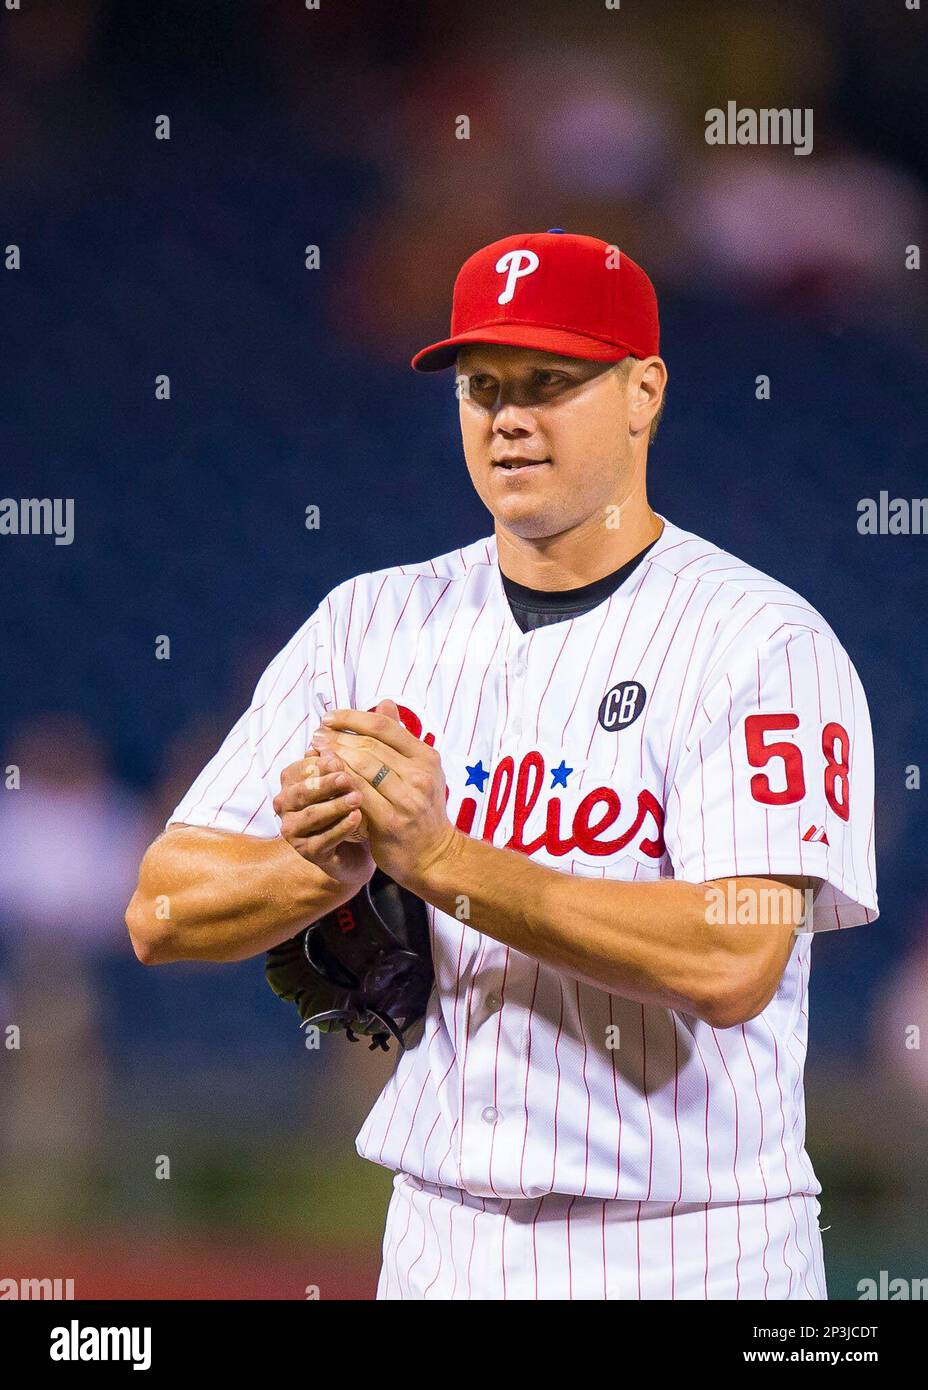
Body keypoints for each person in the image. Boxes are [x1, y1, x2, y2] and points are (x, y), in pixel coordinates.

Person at [126, 230, 878, 1300]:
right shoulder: (368, 621)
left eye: (551, 381)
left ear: (642, 392)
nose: (508, 417)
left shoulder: (759, 641)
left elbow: (732, 958)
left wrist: (437, 859)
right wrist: (328, 868)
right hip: (443, 1240)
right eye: (483, 387)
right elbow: (161, 909)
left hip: (692, 1246)